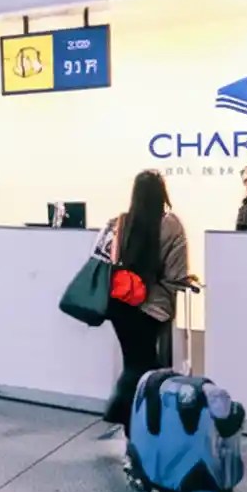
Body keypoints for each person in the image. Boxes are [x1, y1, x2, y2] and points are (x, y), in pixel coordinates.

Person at [93, 170, 190, 434]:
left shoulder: (118, 223)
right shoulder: (171, 225)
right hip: (153, 308)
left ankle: (132, 421)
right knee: (144, 365)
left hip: (119, 304)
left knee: (136, 362)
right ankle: (127, 415)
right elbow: (176, 273)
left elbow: (100, 258)